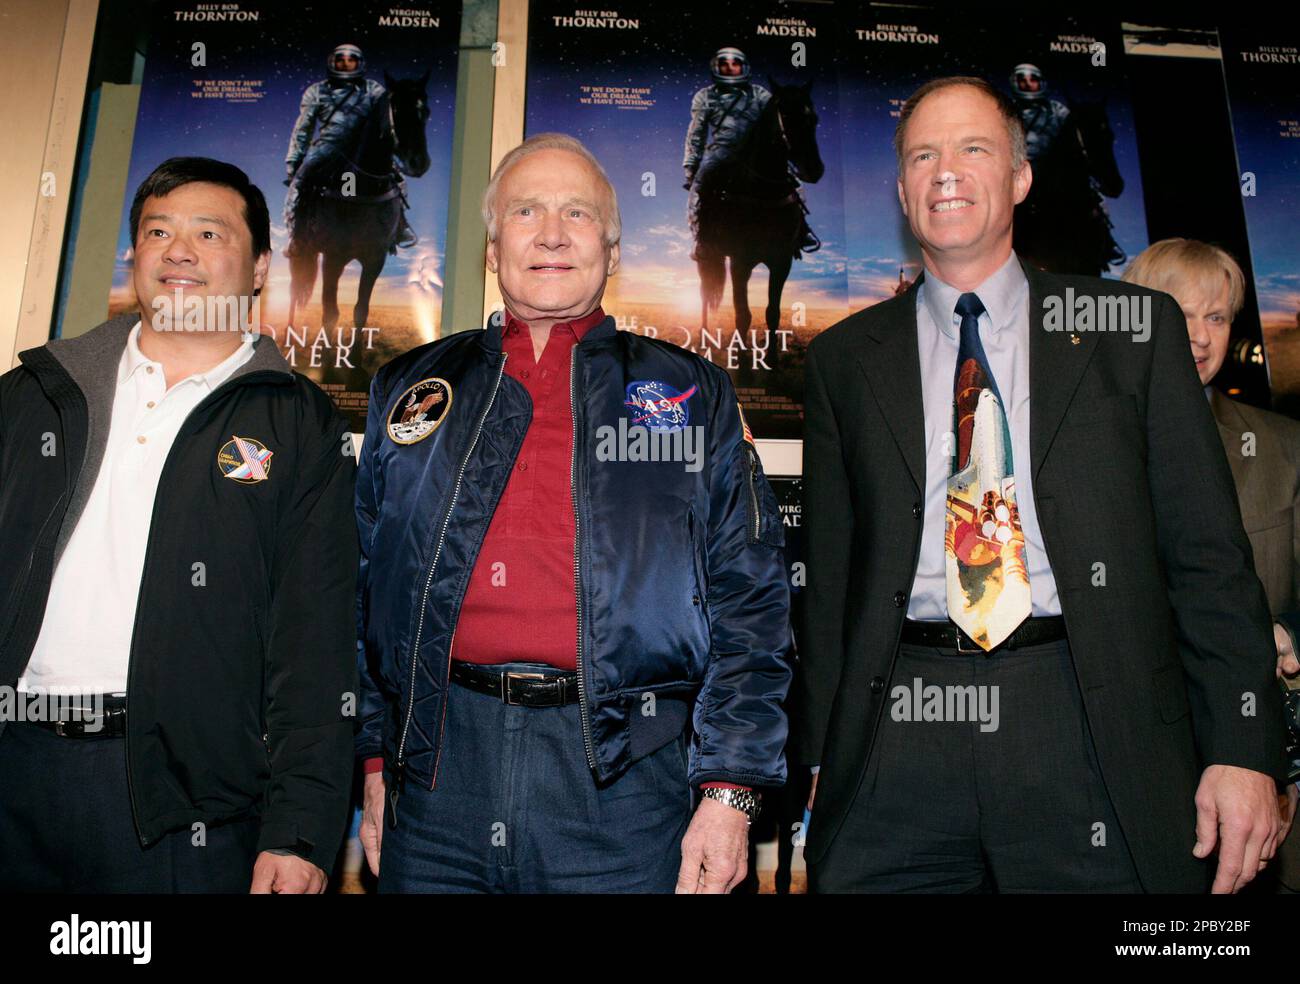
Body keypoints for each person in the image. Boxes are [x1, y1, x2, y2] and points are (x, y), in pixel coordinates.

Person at [799, 77, 1288, 893]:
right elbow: (829, 579)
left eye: (973, 150)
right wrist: (819, 752)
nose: (945, 170)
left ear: (1021, 179)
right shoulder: (845, 360)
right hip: (897, 733)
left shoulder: (1131, 329)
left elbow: (1209, 559)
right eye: (923, 154)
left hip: (1087, 717)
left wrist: (1244, 748)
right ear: (901, 190)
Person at [355, 132, 792, 893]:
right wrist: (369, 759)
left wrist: (729, 793)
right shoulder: (407, 388)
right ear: (493, 247)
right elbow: (358, 588)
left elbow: (753, 604)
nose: (551, 232)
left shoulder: (695, 395)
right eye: (526, 211)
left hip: (624, 785)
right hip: (435, 777)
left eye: (578, 214)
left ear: (613, 251)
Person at [0, 157, 358, 892]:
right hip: (14, 773)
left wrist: (299, 828)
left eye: (207, 232)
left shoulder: (296, 422)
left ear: (259, 267)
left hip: (180, 806)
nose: (179, 250)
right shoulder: (34, 396)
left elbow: (314, 639)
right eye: (157, 231)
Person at [1123, 238, 1300, 890]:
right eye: (1177, 313)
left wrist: (1287, 634)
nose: (1198, 337)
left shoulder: (1283, 448)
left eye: (1217, 317)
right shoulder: (1080, 447)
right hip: (1121, 776)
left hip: (1253, 764)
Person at [284, 43, 414, 255]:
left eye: (350, 60)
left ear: (358, 63)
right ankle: (296, 236)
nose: (345, 64)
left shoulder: (374, 90)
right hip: (328, 147)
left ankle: (400, 228)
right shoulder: (316, 92)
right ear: (332, 62)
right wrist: (293, 161)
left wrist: (389, 151)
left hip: (365, 149)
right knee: (298, 185)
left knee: (398, 182)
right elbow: (303, 128)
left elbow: (385, 124)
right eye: (340, 60)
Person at [683, 47, 771, 258]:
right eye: (725, 64)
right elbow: (696, 132)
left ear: (743, 66)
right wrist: (691, 165)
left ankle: (801, 232)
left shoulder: (760, 94)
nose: (730, 68)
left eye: (735, 64)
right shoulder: (705, 96)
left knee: (794, 185)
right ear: (717, 67)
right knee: (698, 189)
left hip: (757, 152)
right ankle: (700, 238)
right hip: (722, 152)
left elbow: (773, 125)